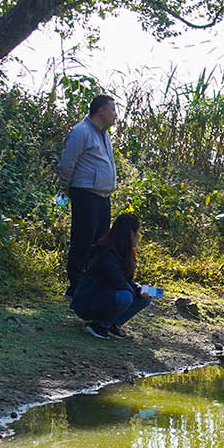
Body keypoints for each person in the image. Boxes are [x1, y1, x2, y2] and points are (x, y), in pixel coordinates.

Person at [57, 94, 119, 296]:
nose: (115, 114)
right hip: (85, 193)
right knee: (82, 241)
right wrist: (65, 186)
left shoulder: (104, 134)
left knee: (100, 242)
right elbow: (67, 162)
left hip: (102, 196)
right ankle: (75, 287)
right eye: (112, 109)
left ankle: (91, 286)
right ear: (100, 110)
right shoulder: (81, 131)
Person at [70, 211, 156, 340]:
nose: (139, 235)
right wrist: (135, 290)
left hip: (105, 296)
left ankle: (113, 324)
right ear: (130, 233)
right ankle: (100, 325)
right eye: (138, 231)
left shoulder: (125, 252)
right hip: (89, 300)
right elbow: (117, 281)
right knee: (126, 296)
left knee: (144, 297)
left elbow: (125, 280)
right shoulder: (107, 252)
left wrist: (140, 289)